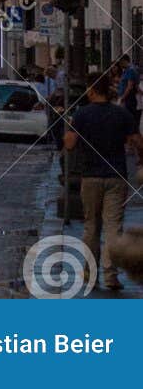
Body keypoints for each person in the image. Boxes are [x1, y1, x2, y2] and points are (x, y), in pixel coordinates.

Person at [64, 74, 142, 292]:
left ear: (91, 90)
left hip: (90, 176)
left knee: (91, 226)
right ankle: (111, 275)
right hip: (116, 176)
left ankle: (90, 273)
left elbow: (70, 144)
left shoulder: (81, 114)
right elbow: (137, 141)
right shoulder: (122, 114)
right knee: (113, 228)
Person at [117, 54, 140, 128]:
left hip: (128, 99)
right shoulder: (127, 70)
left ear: (124, 61)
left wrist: (122, 98)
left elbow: (129, 86)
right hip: (127, 98)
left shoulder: (130, 70)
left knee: (128, 119)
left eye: (120, 62)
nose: (119, 65)